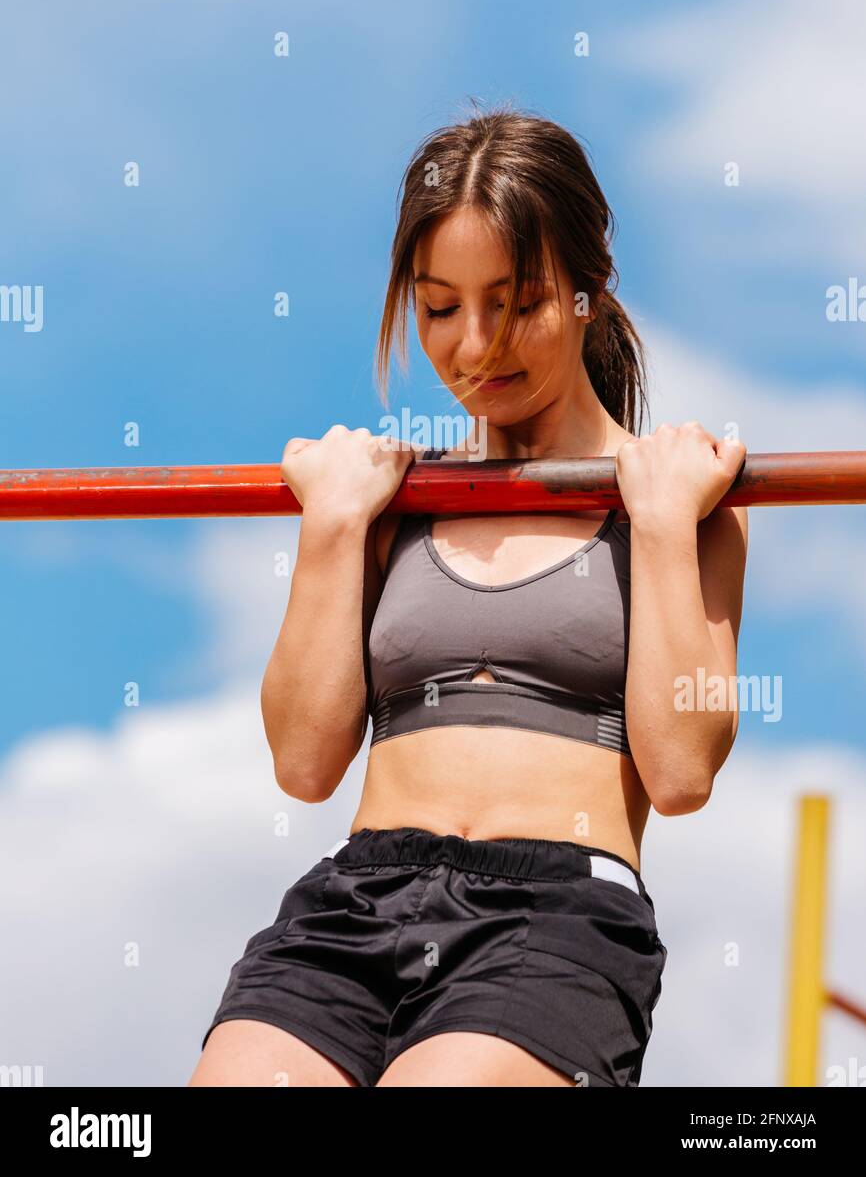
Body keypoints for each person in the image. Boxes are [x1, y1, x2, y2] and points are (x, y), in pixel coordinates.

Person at [189, 103, 748, 1088]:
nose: (476, 345)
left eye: (517, 300)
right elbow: (304, 761)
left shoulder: (674, 501)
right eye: (440, 307)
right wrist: (328, 528)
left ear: (586, 290)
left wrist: (659, 525)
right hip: (355, 900)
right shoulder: (384, 504)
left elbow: (679, 771)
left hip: (554, 915)